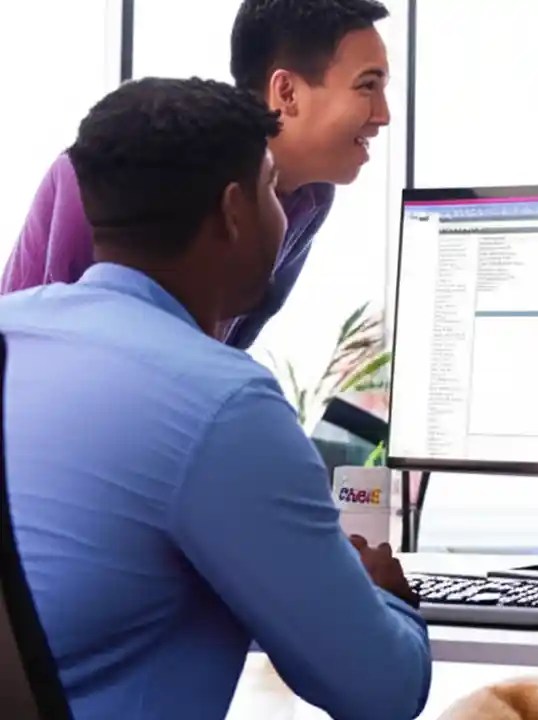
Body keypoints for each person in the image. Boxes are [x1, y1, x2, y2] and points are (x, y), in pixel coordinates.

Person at [0, 77, 431, 720]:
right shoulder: (222, 403)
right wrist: (383, 595)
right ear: (235, 210)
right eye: (269, 188)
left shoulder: (12, 328)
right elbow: (383, 692)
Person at [3, 0, 392, 350]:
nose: (384, 115)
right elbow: (45, 342)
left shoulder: (312, 196)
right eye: (367, 86)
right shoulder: (119, 165)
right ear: (287, 92)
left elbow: (226, 350)